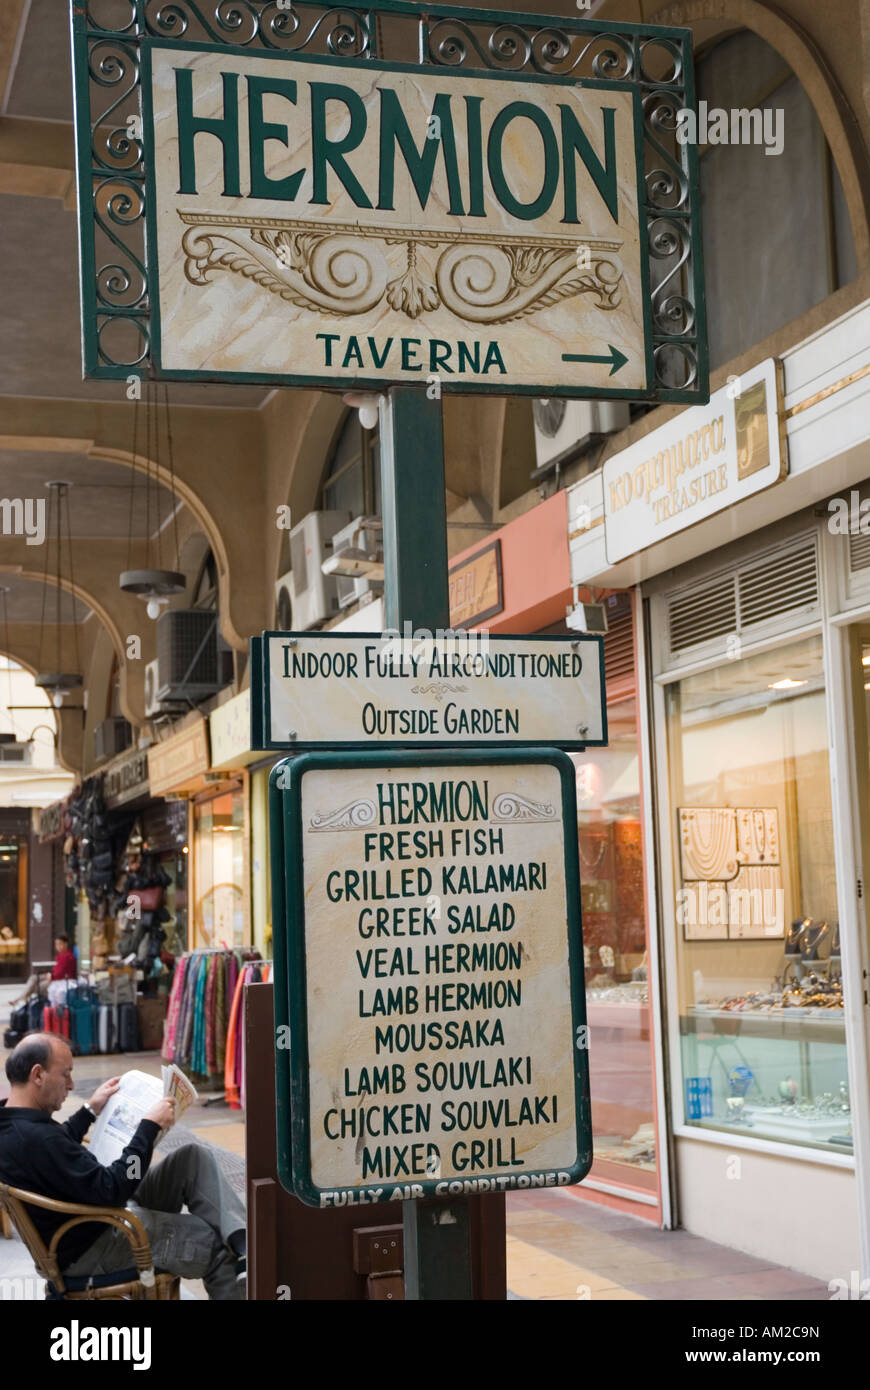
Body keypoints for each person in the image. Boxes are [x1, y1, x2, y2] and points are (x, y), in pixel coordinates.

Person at [0, 1034, 246, 1299]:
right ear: (38, 1075)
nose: (71, 1085)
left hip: (90, 1221)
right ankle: (236, 1255)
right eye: (66, 1074)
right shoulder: (39, 1138)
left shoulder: (13, 1124)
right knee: (212, 1242)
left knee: (191, 1158)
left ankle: (243, 1241)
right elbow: (115, 1188)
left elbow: (55, 1152)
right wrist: (148, 1128)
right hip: (97, 1242)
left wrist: (89, 1110)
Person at [11, 935, 77, 1007]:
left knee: (38, 987)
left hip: (61, 981)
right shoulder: (60, 955)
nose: (58, 946)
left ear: (65, 944)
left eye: (60, 944)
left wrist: (52, 976)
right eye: (56, 944)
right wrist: (50, 974)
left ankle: (21, 999)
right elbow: (56, 969)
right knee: (34, 977)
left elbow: (61, 972)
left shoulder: (68, 956)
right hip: (54, 976)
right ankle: (22, 998)